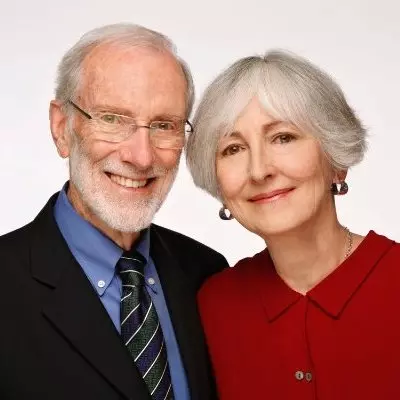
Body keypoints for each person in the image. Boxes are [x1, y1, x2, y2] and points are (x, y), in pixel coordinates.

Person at [0, 24, 227, 400]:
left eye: (163, 125)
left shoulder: (206, 274)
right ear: (62, 127)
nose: (141, 156)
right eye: (112, 119)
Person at [186, 50, 400, 399]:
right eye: (233, 149)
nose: (259, 171)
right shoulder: (212, 305)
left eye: (282, 137)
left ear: (335, 159)